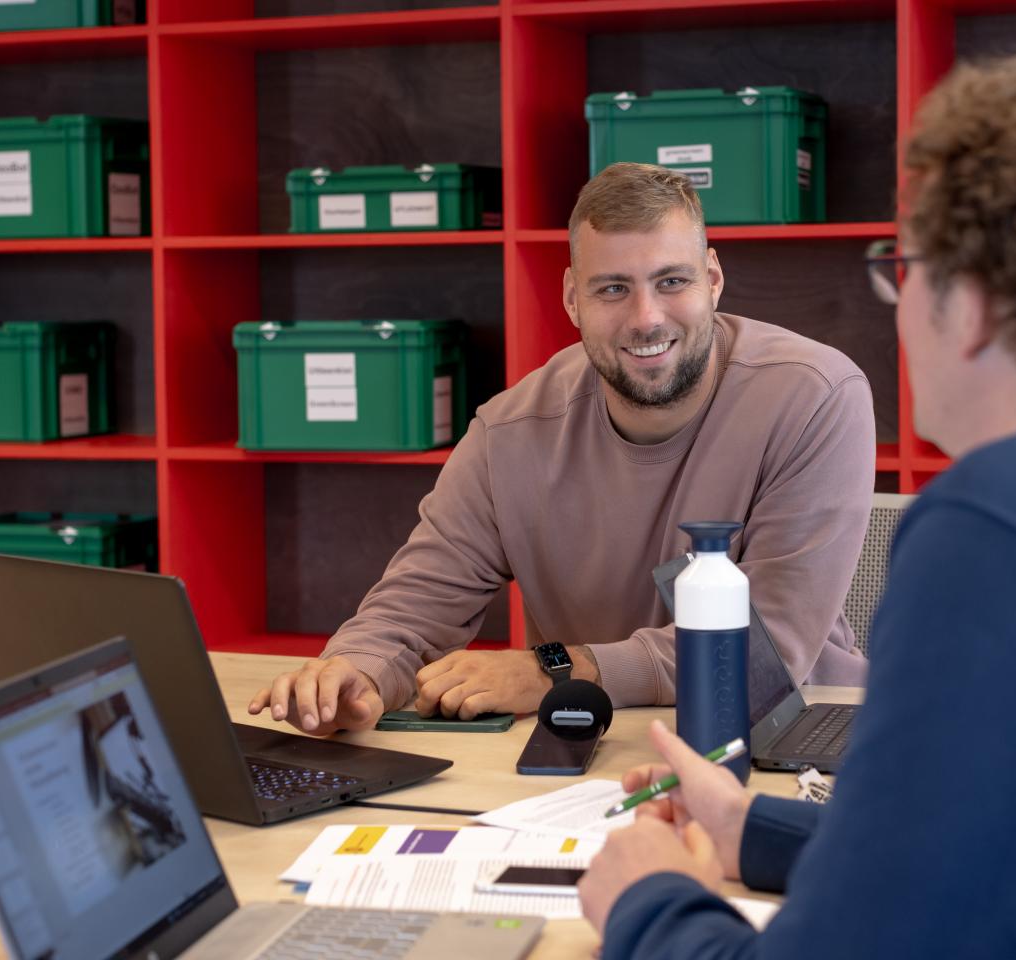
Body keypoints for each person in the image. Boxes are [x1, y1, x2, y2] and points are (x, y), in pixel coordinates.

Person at [577, 55, 1016, 958]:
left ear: (975, 302)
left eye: (904, 266)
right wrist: (754, 831)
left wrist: (649, 902)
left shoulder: (1008, 529)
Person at [249, 162, 876, 733]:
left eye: (672, 281)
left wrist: (556, 669)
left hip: (797, 733)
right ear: (572, 297)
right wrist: (355, 671)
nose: (647, 318)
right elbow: (414, 604)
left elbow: (763, 649)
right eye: (612, 289)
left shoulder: (816, 396)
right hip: (587, 742)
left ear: (712, 280)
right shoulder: (510, 430)